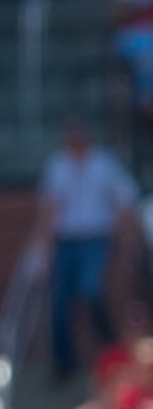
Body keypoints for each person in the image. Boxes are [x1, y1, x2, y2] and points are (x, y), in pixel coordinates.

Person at [33, 119, 140, 380]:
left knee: (90, 292)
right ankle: (63, 365)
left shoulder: (104, 164)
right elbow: (48, 209)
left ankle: (112, 355)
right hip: (66, 242)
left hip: (95, 239)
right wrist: (43, 246)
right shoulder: (57, 167)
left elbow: (124, 199)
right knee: (59, 304)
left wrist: (128, 237)